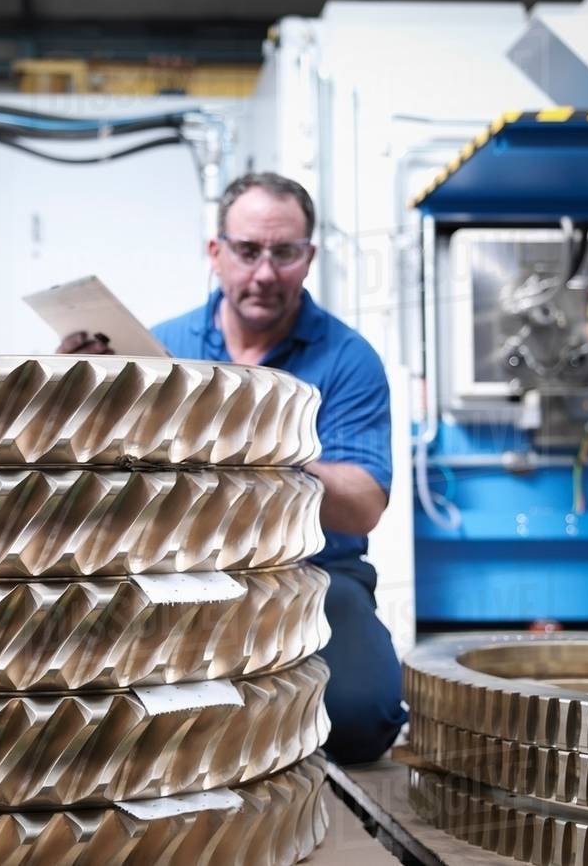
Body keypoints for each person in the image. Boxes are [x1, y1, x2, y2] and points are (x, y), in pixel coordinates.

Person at [58, 172, 407, 764]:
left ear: (309, 257)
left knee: (360, 721)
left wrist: (260, 450)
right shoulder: (163, 348)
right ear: (216, 252)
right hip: (182, 576)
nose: (265, 273)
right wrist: (86, 394)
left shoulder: (348, 359)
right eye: (248, 251)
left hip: (313, 573)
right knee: (90, 712)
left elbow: (365, 502)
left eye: (284, 253)